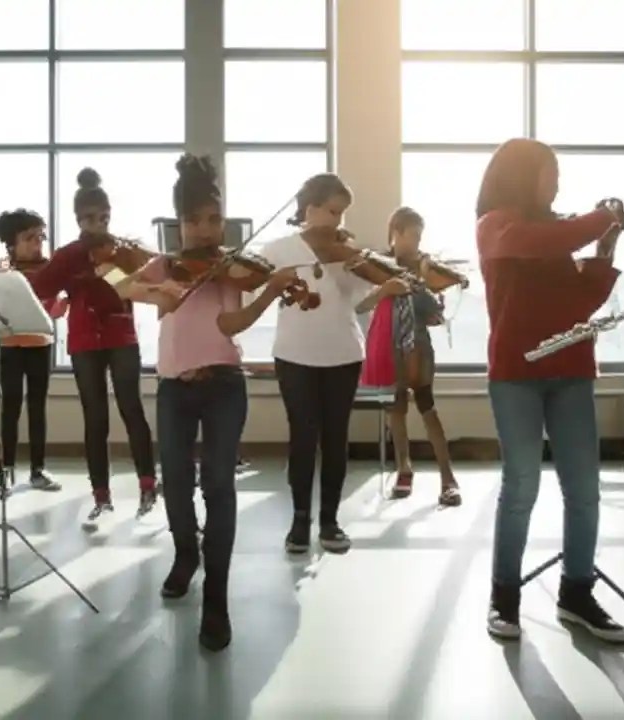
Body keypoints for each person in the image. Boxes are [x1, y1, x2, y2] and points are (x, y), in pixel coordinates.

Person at [120, 154, 293, 652]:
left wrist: (270, 292)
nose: (205, 229)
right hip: (174, 386)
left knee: (218, 485)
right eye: (195, 220)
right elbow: (121, 283)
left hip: (223, 385)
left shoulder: (229, 270)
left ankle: (216, 598)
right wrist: (159, 294)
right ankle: (184, 556)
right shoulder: (165, 265)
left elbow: (231, 327)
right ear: (179, 223)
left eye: (214, 219)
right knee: (175, 482)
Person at [476, 138, 624, 644]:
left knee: (584, 489)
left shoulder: (558, 232)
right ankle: (504, 596)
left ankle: (577, 593)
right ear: (522, 174)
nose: (557, 181)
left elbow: (582, 299)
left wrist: (606, 247)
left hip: (571, 368)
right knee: (521, 485)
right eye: (551, 170)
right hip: (515, 373)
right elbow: (535, 243)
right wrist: (599, 216)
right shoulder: (497, 225)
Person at [251, 173, 409, 555]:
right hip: (294, 355)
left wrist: (367, 271)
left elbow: (357, 303)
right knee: (303, 438)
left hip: (343, 353)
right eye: (333, 212)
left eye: (342, 214)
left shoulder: (346, 251)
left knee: (336, 439)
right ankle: (299, 521)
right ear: (311, 209)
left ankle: (330, 521)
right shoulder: (279, 248)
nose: (338, 222)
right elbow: (256, 290)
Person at [28, 168, 157, 531]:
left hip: (121, 335)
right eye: (90, 219)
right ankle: (101, 495)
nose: (99, 226)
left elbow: (144, 280)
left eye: (104, 218)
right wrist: (65, 271)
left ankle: (148, 485)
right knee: (95, 417)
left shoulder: (121, 251)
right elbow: (42, 287)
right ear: (78, 219)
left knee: (132, 408)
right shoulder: (69, 254)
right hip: (85, 339)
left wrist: (121, 265)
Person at [359, 206, 460, 503]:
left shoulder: (424, 267)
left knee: (428, 408)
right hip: (387, 345)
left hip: (418, 345)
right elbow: (361, 305)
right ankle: (404, 469)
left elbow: (436, 315)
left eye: (420, 236)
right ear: (397, 232)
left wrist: (426, 286)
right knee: (397, 409)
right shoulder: (379, 264)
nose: (417, 242)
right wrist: (385, 290)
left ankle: (448, 477)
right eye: (413, 235)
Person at [0, 208, 64, 491]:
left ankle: (38, 470)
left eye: (40, 237)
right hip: (9, 345)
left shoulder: (51, 268)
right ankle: (7, 468)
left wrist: (60, 305)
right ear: (12, 243)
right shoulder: (2, 268)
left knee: (37, 408)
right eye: (29, 238)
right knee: (9, 407)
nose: (38, 244)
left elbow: (54, 307)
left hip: (40, 344)